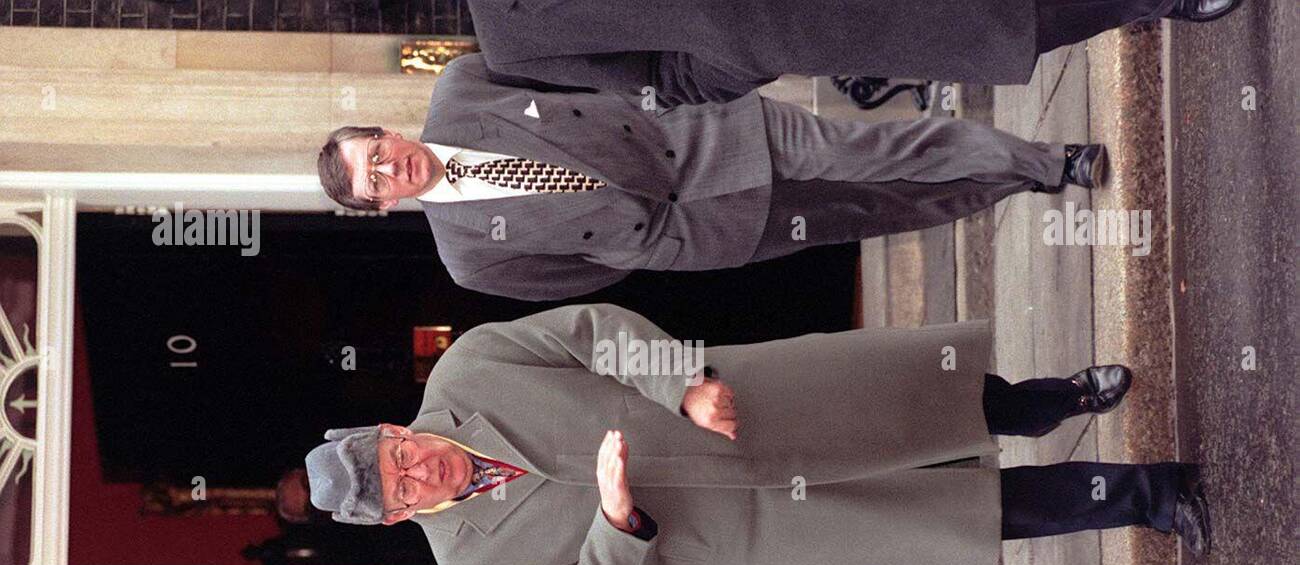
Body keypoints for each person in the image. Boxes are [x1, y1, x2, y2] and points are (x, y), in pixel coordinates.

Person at [303, 304, 1211, 565]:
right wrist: (616, 524)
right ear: (394, 519)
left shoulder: (468, 369)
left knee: (938, 405)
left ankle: (1057, 400)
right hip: (764, 528)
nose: (415, 470)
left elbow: (591, 332)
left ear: (391, 425)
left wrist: (684, 384)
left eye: (398, 453)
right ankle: (1150, 495)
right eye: (400, 489)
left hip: (745, 409)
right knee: (969, 513)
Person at [317, 53, 1103, 301]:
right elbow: (575, 276)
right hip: (697, 234)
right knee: (873, 211)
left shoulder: (461, 86)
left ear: (385, 130)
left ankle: (1049, 163)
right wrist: (649, 242)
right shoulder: (468, 257)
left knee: (875, 154)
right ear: (381, 206)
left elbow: (579, 67)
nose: (390, 167)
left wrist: (649, 107)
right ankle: (1007, 182)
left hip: (704, 138)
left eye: (376, 151)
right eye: (375, 182)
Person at [460, 0, 1243, 105]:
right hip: (805, 21)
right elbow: (663, 83)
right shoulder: (509, 39)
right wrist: (749, 50)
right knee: (998, 22)